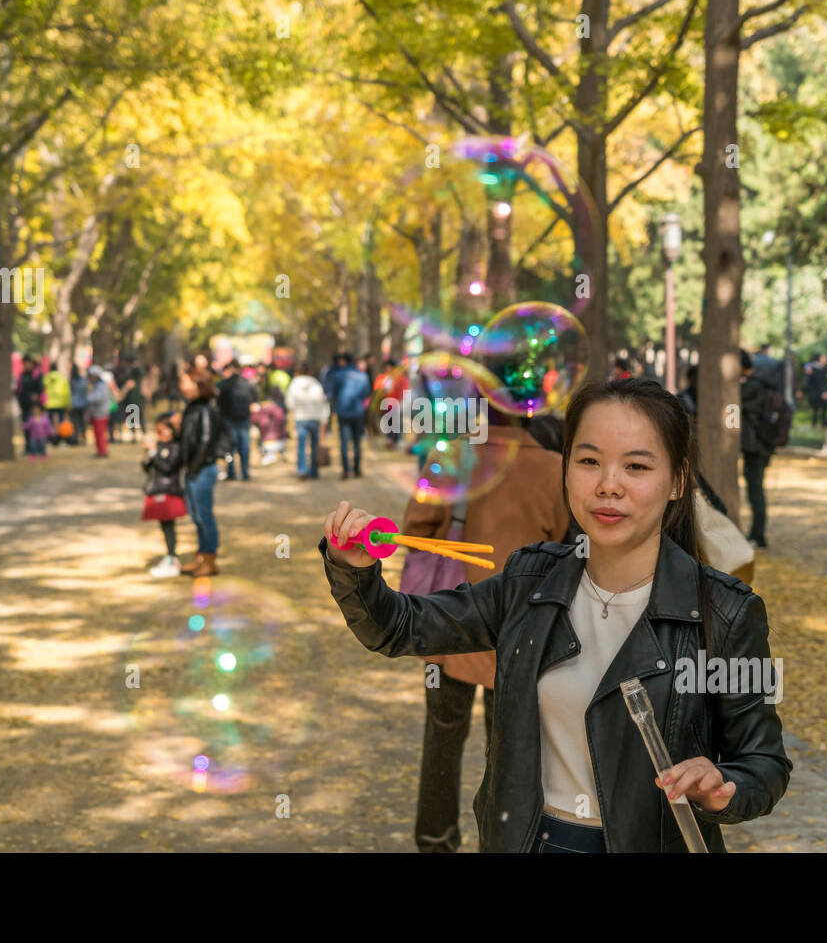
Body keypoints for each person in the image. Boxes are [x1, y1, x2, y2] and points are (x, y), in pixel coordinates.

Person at [320, 376, 791, 852]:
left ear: (677, 481)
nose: (609, 485)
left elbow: (763, 762)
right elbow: (400, 627)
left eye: (637, 466)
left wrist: (722, 788)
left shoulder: (726, 611)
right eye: (589, 461)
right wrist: (353, 570)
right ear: (565, 470)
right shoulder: (530, 581)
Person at [401, 404, 572, 852]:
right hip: (522, 633)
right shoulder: (557, 468)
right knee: (510, 753)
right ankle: (501, 842)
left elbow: (415, 526)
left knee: (442, 736)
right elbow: (563, 543)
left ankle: (435, 839)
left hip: (450, 626)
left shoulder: (452, 457)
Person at [178, 364, 223, 577]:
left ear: (198, 384)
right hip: (193, 469)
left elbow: (205, 441)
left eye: (185, 381)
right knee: (196, 516)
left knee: (204, 516)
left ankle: (210, 560)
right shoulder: (192, 407)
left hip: (202, 470)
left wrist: (194, 467)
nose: (182, 386)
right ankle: (201, 557)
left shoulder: (206, 409)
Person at [740, 349, 780, 549]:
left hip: (756, 446)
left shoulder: (751, 387)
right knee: (755, 489)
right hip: (759, 444)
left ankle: (758, 535)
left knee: (755, 490)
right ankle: (757, 534)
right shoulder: (759, 385)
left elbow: (741, 411)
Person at [142, 413, 188, 578]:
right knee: (164, 526)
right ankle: (169, 556)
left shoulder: (176, 447)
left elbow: (168, 467)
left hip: (169, 490)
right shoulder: (159, 445)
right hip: (157, 489)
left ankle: (172, 557)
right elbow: (147, 467)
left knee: (169, 526)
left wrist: (154, 453)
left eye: (164, 428)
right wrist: (148, 454)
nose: (161, 432)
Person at [325, 352, 371, 479]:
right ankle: (356, 469)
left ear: (344, 361)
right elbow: (366, 393)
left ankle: (345, 470)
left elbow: (332, 394)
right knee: (357, 441)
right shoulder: (363, 377)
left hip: (343, 412)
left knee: (344, 442)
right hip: (358, 412)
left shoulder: (338, 375)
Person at [287, 363, 330, 479]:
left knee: (301, 445)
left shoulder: (294, 384)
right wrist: (324, 418)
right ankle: (314, 471)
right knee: (314, 445)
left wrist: (295, 411)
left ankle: (302, 470)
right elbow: (323, 402)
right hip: (315, 418)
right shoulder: (316, 384)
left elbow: (289, 403)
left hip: (300, 418)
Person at [217, 362, 255, 481]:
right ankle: (245, 472)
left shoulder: (224, 384)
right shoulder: (247, 383)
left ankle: (231, 472)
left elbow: (219, 403)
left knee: (230, 449)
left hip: (229, 419)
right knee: (245, 447)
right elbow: (254, 400)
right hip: (244, 419)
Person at [250, 391, 288, 465]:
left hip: (268, 443)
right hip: (282, 442)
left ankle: (268, 454)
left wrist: (254, 411)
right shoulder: (279, 410)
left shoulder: (262, 413)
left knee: (258, 435)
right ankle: (282, 453)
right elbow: (284, 423)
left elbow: (255, 421)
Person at [86, 365, 113, 457]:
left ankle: (103, 451)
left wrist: (88, 398)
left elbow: (98, 398)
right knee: (98, 433)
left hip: (101, 413)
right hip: (98, 412)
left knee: (100, 433)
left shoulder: (101, 386)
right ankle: (100, 451)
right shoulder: (97, 385)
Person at [43, 365, 71, 444]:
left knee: (50, 423)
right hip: (61, 403)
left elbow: (43, 391)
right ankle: (62, 438)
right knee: (61, 422)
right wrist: (68, 404)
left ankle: (51, 438)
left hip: (49, 403)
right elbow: (66, 392)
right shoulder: (62, 378)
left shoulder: (46, 378)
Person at [805, 354, 827, 427]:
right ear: (819, 359)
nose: (825, 360)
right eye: (824, 358)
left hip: (815, 392)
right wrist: (824, 391)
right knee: (818, 409)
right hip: (817, 393)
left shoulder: (812, 367)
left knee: (817, 409)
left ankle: (816, 424)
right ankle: (818, 424)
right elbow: (820, 382)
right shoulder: (817, 369)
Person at [69, 365, 88, 446]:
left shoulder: (72, 381)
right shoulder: (83, 380)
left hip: (74, 404)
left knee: (75, 422)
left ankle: (76, 437)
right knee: (81, 421)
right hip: (82, 403)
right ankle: (83, 437)